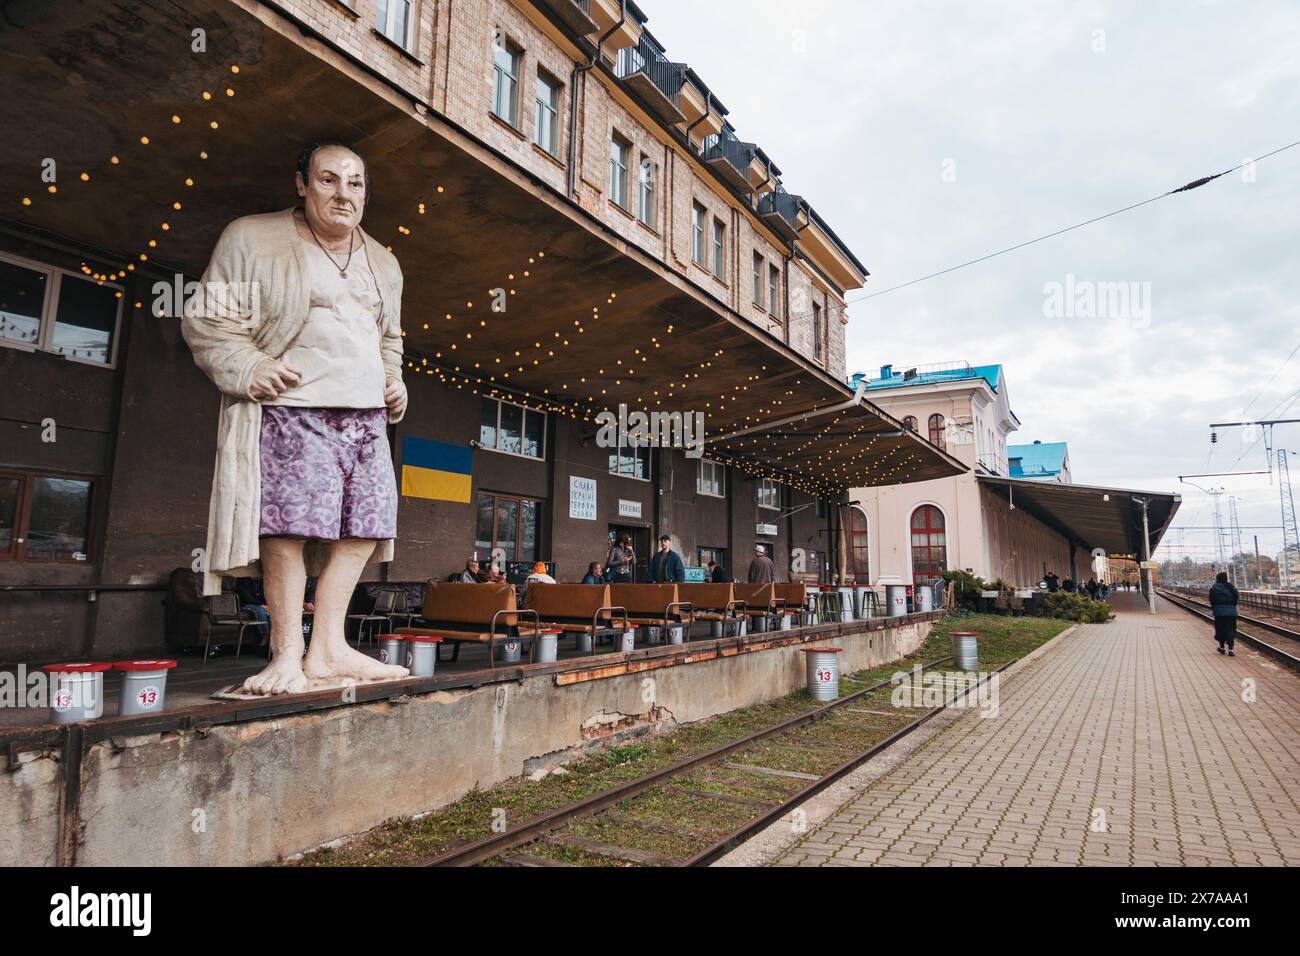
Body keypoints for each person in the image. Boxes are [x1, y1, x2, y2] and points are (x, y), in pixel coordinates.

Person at [183, 141, 409, 695]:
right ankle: (286, 652)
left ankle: (329, 646)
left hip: (366, 417)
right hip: (293, 407)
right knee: (287, 529)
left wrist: (393, 379)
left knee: (367, 527)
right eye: (328, 180)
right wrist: (249, 365)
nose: (343, 194)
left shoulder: (383, 259)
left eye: (355, 184)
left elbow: (390, 337)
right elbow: (209, 319)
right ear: (302, 184)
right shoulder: (251, 237)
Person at [1209, 571, 1239, 656]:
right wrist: (1232, 607)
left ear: (1217, 579)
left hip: (1219, 612)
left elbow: (1212, 600)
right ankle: (1231, 650)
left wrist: (1214, 608)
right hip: (1231, 613)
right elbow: (1236, 598)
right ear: (1226, 579)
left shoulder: (1214, 588)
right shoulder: (1231, 587)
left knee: (1220, 629)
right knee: (1231, 630)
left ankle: (1222, 648)